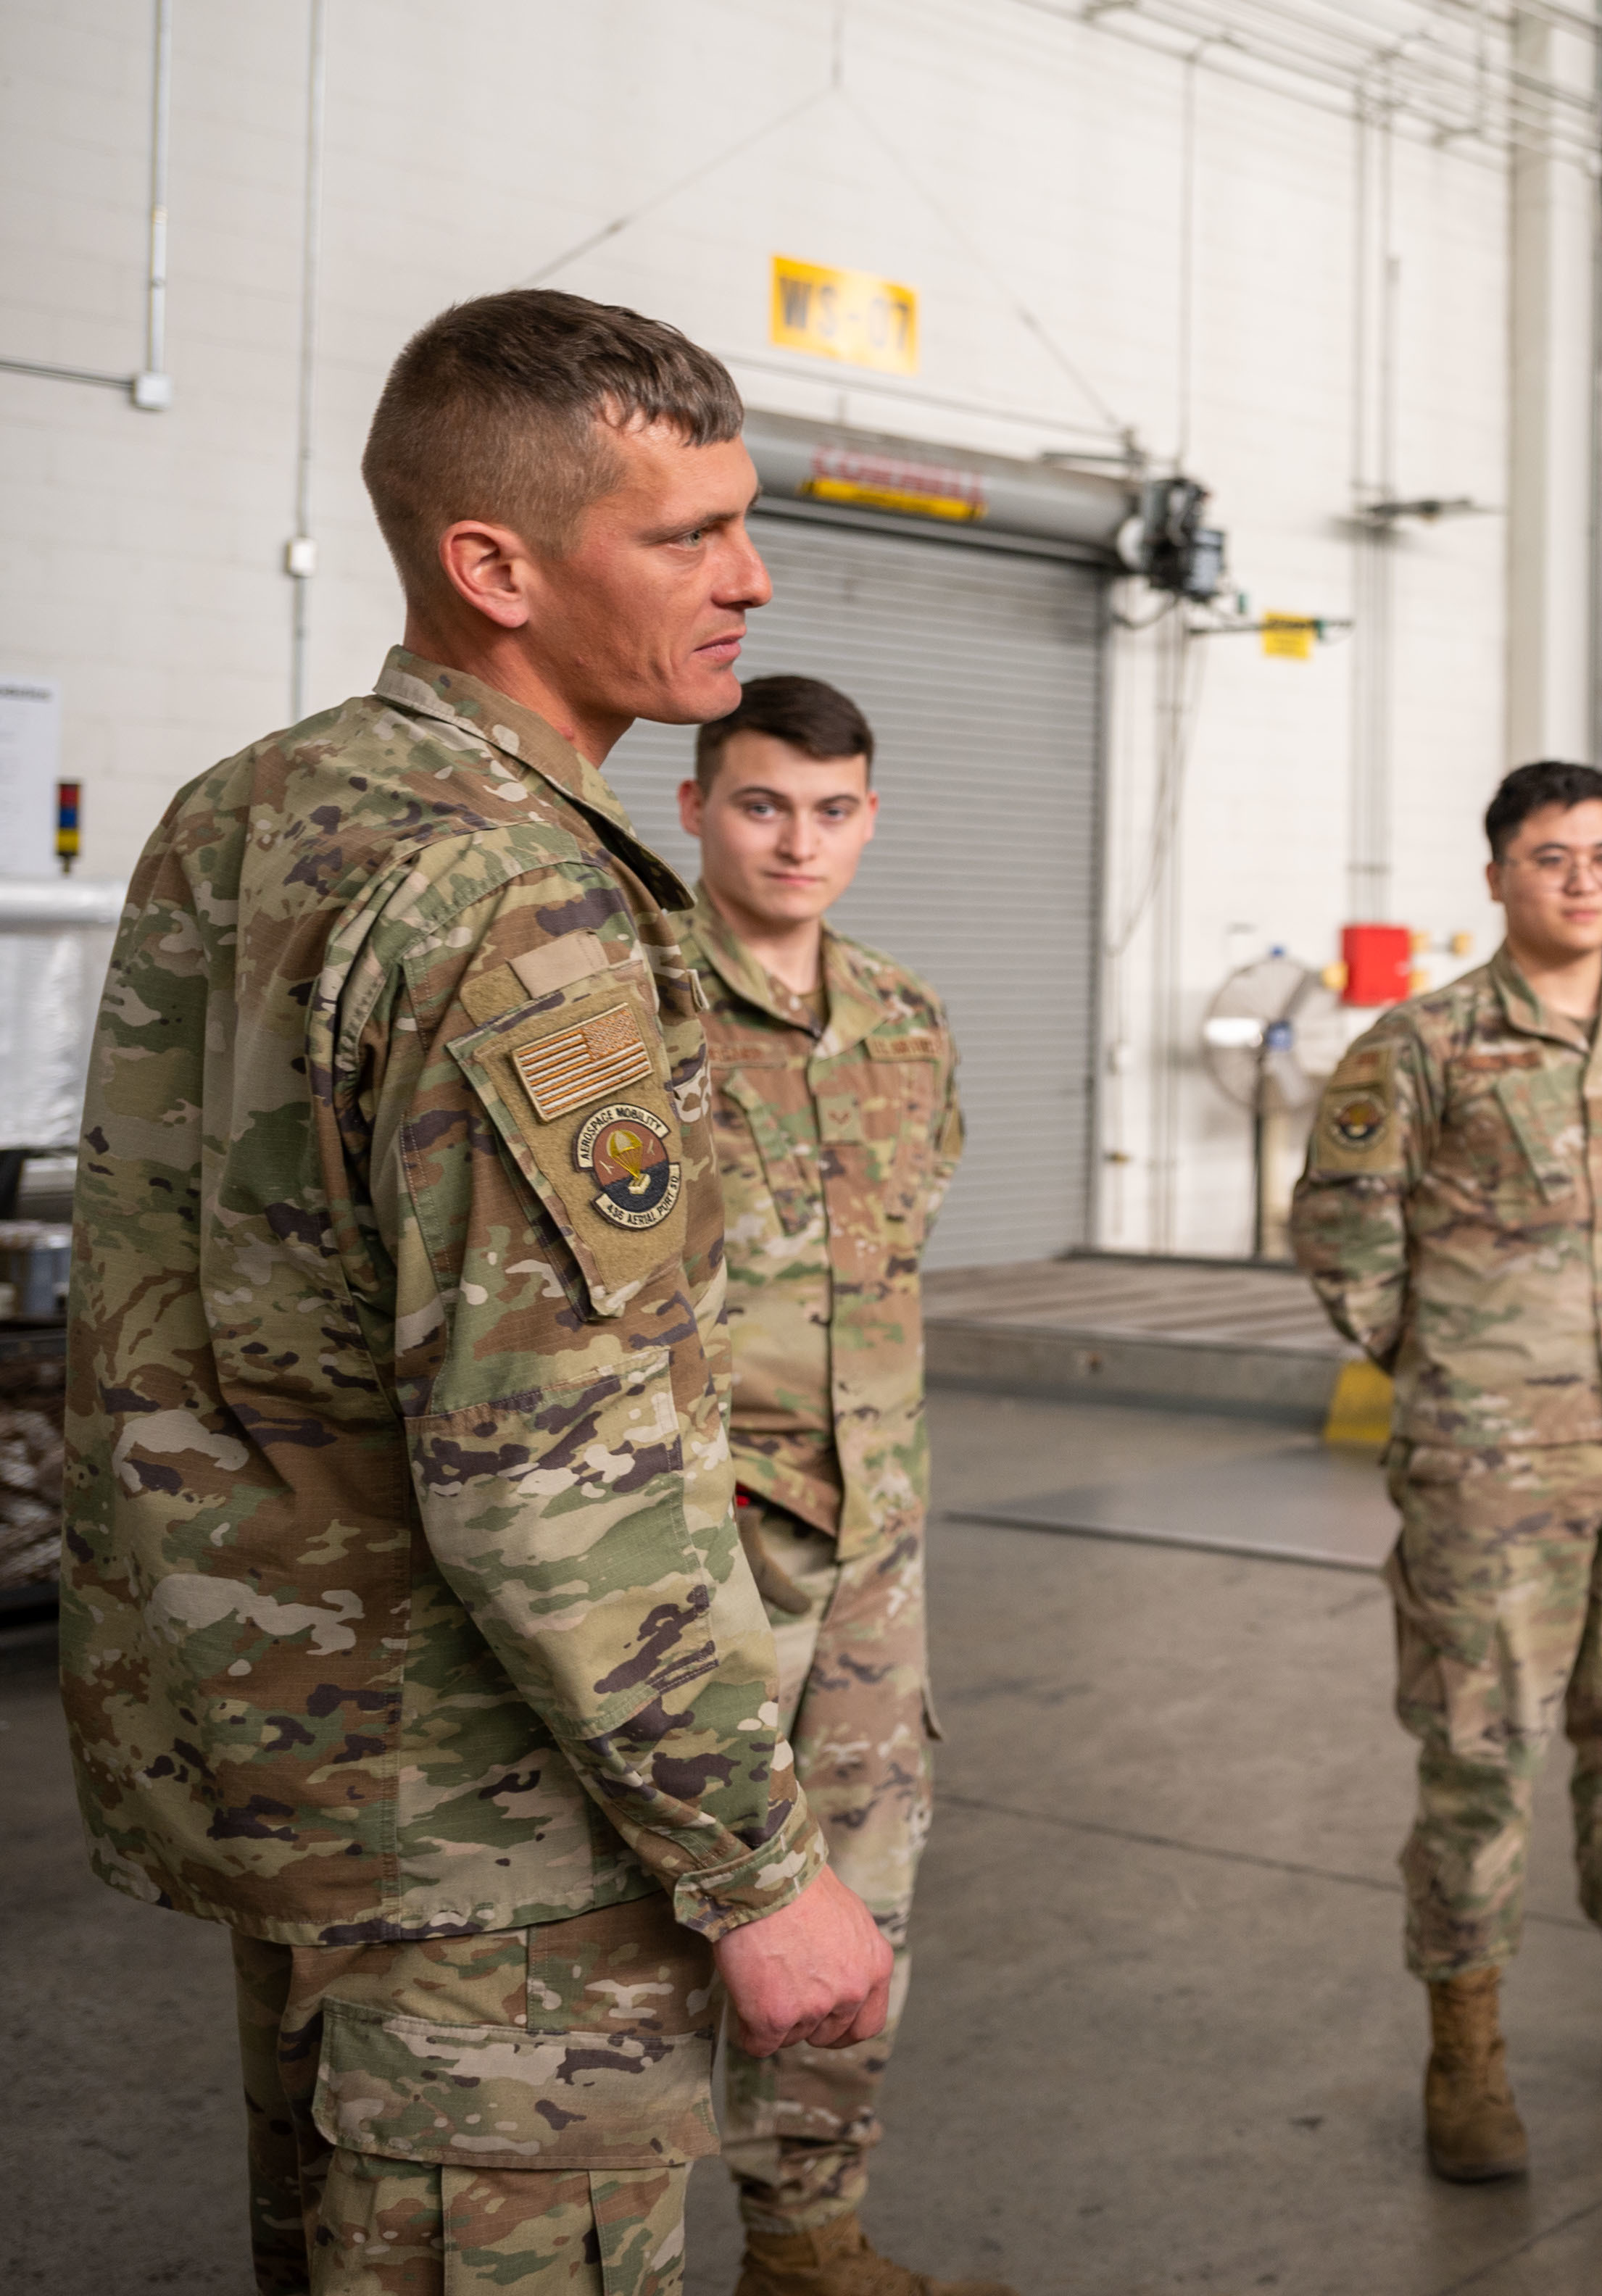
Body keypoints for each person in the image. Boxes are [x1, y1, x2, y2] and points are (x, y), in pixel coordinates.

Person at [60, 291, 890, 2295]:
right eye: (684, 536)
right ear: (493, 567)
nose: (750, 577)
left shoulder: (249, 810)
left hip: (297, 1771)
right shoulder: (529, 900)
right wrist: (759, 1873)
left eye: (743, 519)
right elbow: (550, 1472)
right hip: (496, 1831)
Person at [1290, 760, 1602, 2183]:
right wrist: (1446, 1365)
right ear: (1498, 878)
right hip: (1487, 1464)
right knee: (1482, 1755)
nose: (1583, 880)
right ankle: (1466, 2055)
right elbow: (1339, 1229)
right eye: (1551, 857)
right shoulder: (1416, 1047)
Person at [674, 676, 1000, 2296]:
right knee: (644, 1930)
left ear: (871, 818)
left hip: (872, 1561)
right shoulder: (633, 1012)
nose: (798, 840)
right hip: (686, 1568)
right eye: (761, 804)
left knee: (859, 1913)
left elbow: (904, 1245)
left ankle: (805, 2243)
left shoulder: (908, 1021)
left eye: (832, 809)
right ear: (695, 810)